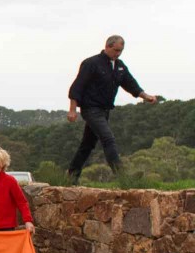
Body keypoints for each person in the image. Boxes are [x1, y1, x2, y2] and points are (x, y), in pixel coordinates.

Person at [67, 35, 158, 183]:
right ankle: (122, 176)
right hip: (90, 108)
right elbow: (77, 87)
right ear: (108, 46)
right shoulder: (92, 63)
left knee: (88, 144)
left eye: (120, 51)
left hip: (104, 110)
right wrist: (72, 110)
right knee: (108, 138)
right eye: (115, 50)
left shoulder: (119, 66)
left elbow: (130, 84)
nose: (118, 53)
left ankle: (71, 176)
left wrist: (145, 96)